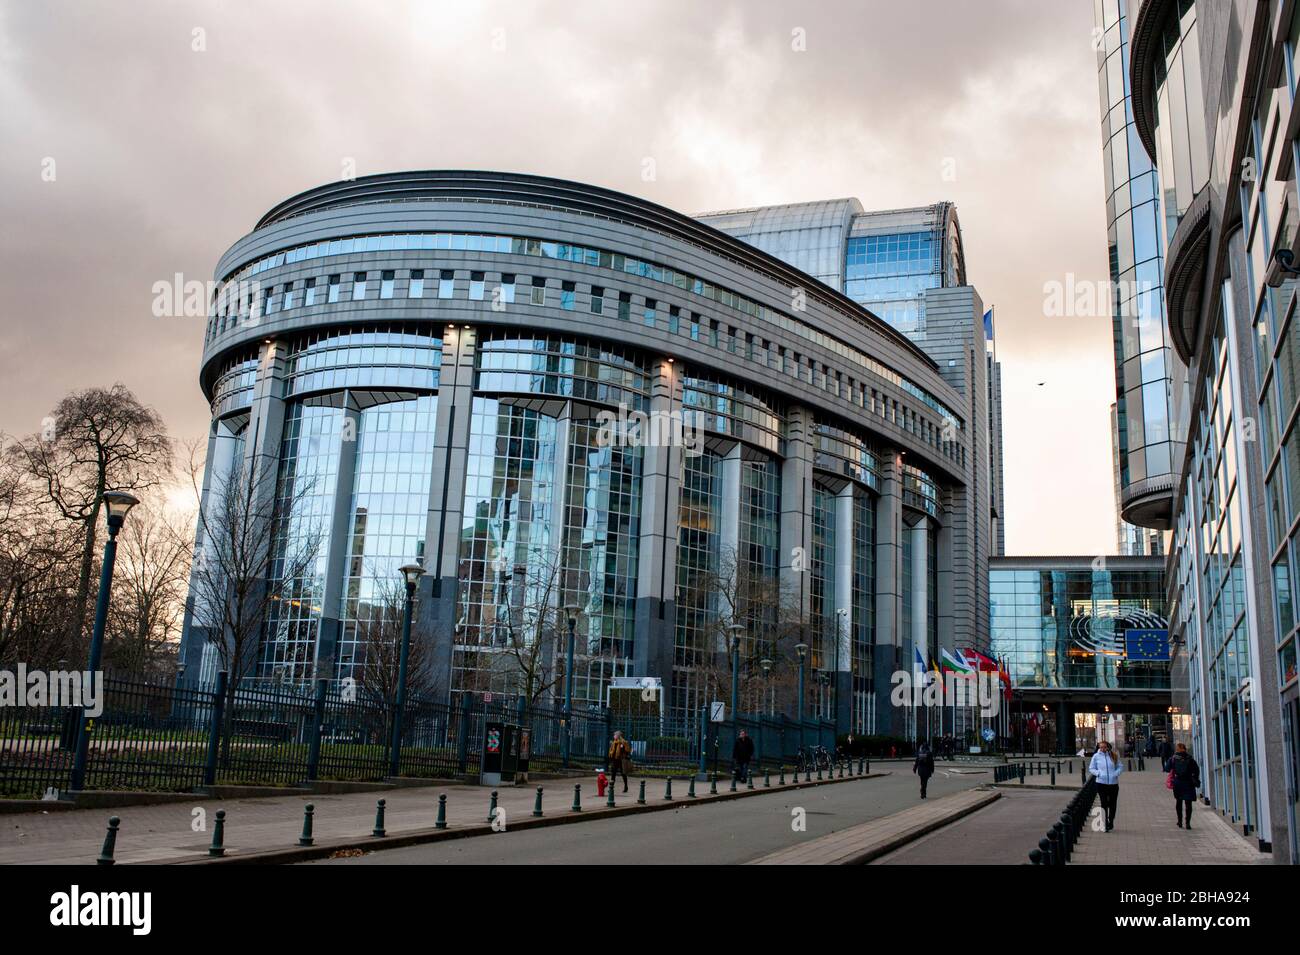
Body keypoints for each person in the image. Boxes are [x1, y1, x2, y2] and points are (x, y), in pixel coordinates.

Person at [1089, 739, 1124, 831]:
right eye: (1101, 747)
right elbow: (1091, 768)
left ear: (1108, 747)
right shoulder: (1096, 756)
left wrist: (1115, 774)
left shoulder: (1114, 756)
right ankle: (1104, 824)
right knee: (1104, 803)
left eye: (1104, 747)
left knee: (1113, 804)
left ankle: (1111, 820)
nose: (1102, 749)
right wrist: (1099, 773)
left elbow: (1120, 766)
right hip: (1101, 783)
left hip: (1113, 784)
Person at [1169, 742, 1201, 830]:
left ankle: (1179, 821)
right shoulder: (1190, 759)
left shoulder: (1173, 758)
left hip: (1178, 783)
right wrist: (1195, 778)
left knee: (1178, 802)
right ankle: (1187, 823)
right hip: (1188, 782)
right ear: (1185, 749)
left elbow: (1167, 768)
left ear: (1177, 749)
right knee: (1188, 803)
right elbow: (1196, 770)